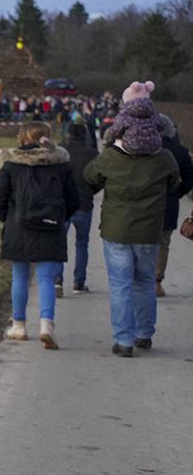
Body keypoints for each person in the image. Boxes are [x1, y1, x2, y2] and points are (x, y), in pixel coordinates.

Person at [82, 81, 181, 356]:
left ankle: (123, 340)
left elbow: (90, 176)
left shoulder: (112, 158)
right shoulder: (164, 158)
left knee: (120, 285)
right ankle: (144, 333)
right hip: (150, 230)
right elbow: (175, 184)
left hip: (117, 230)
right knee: (145, 281)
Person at [0, 122, 82, 349]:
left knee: (20, 276)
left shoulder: (11, 165)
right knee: (46, 279)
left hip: (18, 227)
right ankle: (46, 325)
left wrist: (8, 219)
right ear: (48, 138)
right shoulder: (61, 165)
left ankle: (19, 326)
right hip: (50, 227)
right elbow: (74, 200)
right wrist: (59, 218)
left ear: (22, 139)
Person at [153, 114, 193, 298]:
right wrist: (177, 192)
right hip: (169, 202)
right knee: (163, 243)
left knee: (142, 242)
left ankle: (140, 280)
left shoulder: (146, 149)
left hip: (146, 202)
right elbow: (189, 180)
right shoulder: (181, 152)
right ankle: (157, 282)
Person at [57, 120, 97, 293]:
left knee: (59, 243)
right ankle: (78, 282)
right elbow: (99, 178)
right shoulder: (93, 154)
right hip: (84, 203)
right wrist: (90, 191)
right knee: (82, 244)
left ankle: (57, 279)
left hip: (63, 204)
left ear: (67, 136)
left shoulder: (60, 154)